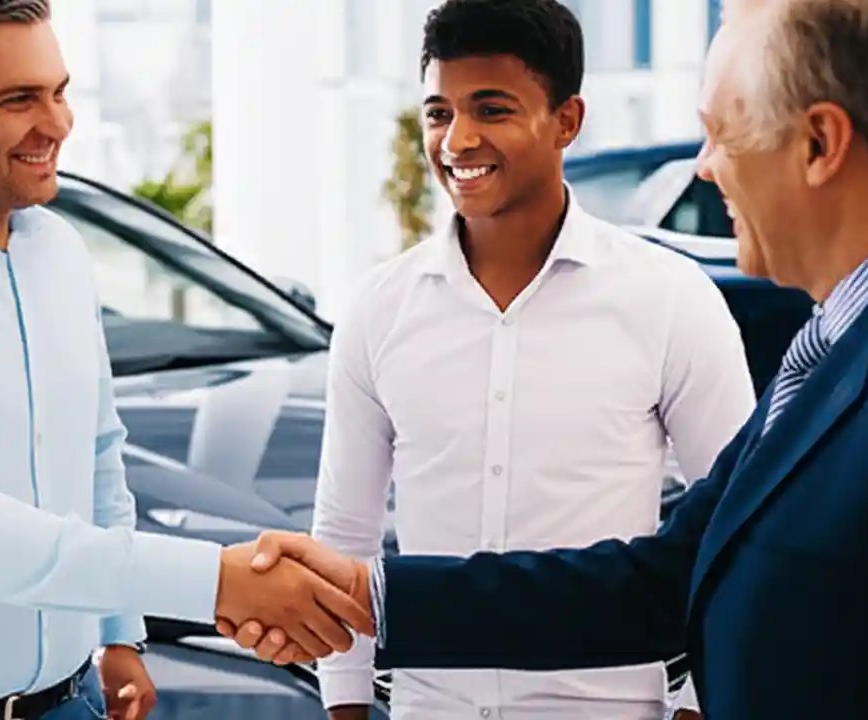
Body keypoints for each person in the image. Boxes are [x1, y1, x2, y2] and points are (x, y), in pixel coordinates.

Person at [223, 0, 868, 717]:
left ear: (818, 144)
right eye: (440, 111)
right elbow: (669, 579)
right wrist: (369, 595)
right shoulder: (847, 340)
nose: (702, 169)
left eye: (720, 133)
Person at [0, 2, 370, 720]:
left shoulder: (57, 250)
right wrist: (218, 582)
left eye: (58, 91)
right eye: (19, 99)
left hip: (72, 701)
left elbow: (94, 456)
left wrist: (118, 635)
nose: (57, 122)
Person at [288, 1, 752, 718]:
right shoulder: (378, 309)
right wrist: (345, 707)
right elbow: (343, 536)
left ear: (567, 120)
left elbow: (739, 529)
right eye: (438, 112)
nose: (457, 140)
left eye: (491, 109)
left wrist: (696, 706)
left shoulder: (669, 300)